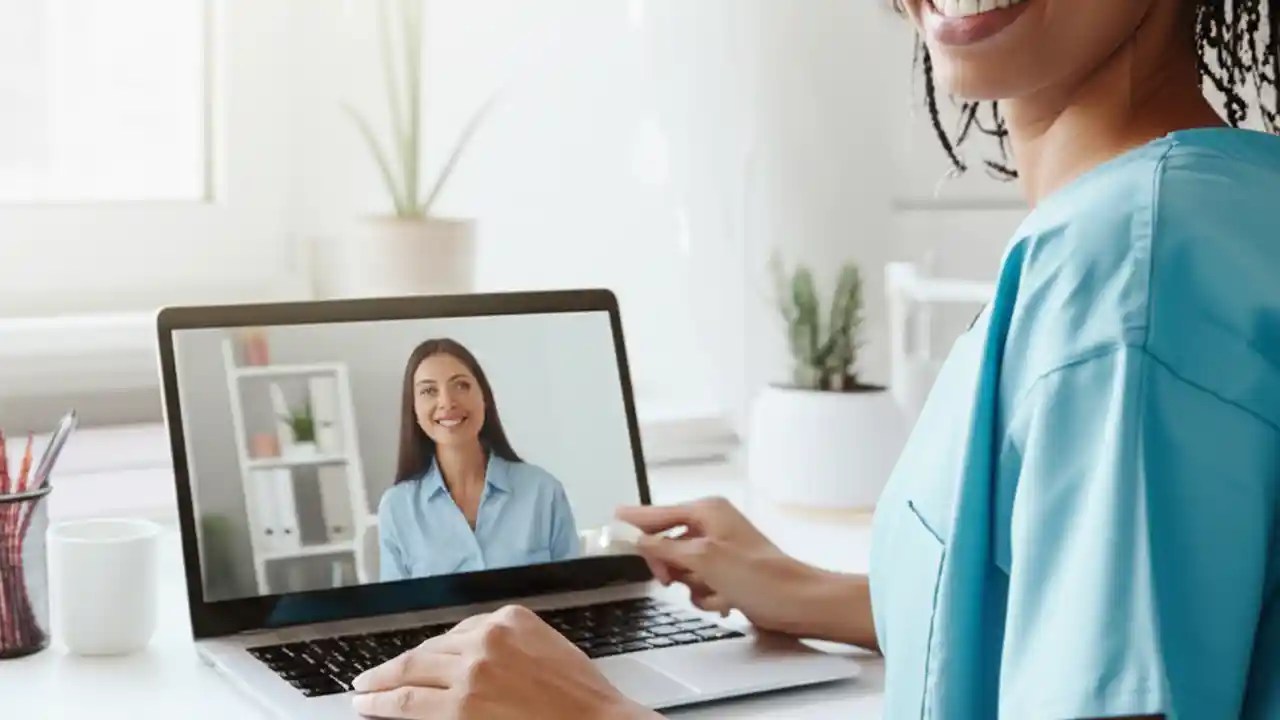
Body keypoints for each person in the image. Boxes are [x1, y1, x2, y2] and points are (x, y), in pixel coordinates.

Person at [350, 1, 1280, 717]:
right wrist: (808, 591)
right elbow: (1125, 607)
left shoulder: (1123, 271)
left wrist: (595, 712)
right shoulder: (1223, 203)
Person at [376, 338, 579, 581]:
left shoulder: (543, 491)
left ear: (485, 398)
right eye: (429, 391)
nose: (447, 402)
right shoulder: (397, 508)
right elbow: (398, 606)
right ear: (414, 409)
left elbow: (576, 594)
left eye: (461, 385)